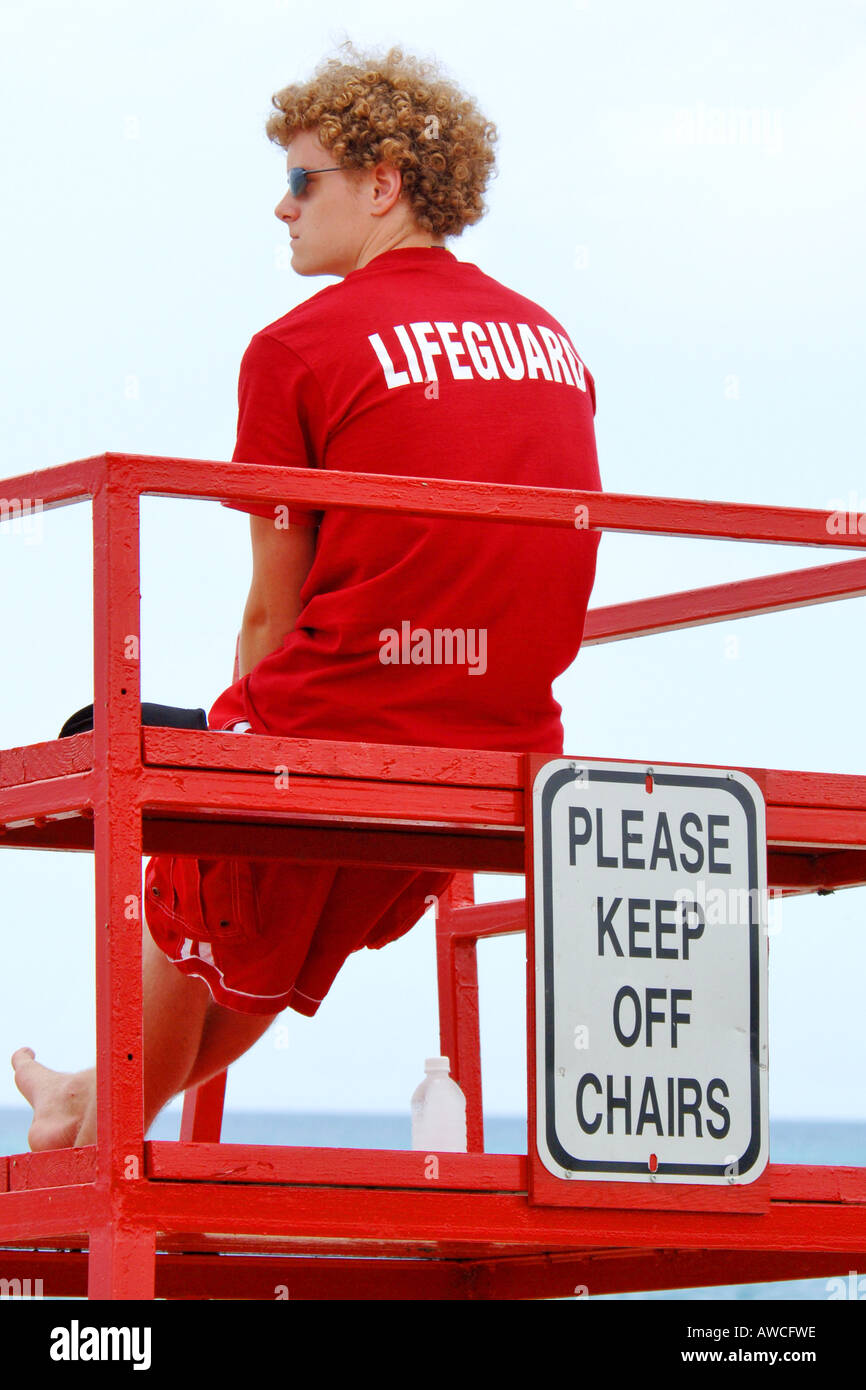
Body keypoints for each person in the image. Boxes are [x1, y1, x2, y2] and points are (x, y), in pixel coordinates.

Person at [12, 42, 602, 1149]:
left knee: (176, 822)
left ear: (383, 184)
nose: (280, 209)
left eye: (302, 180)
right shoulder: (551, 341)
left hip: (346, 726)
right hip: (504, 749)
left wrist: (244, 758)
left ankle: (88, 1158)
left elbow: (267, 610)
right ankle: (86, 1102)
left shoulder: (297, 346)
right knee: (246, 942)